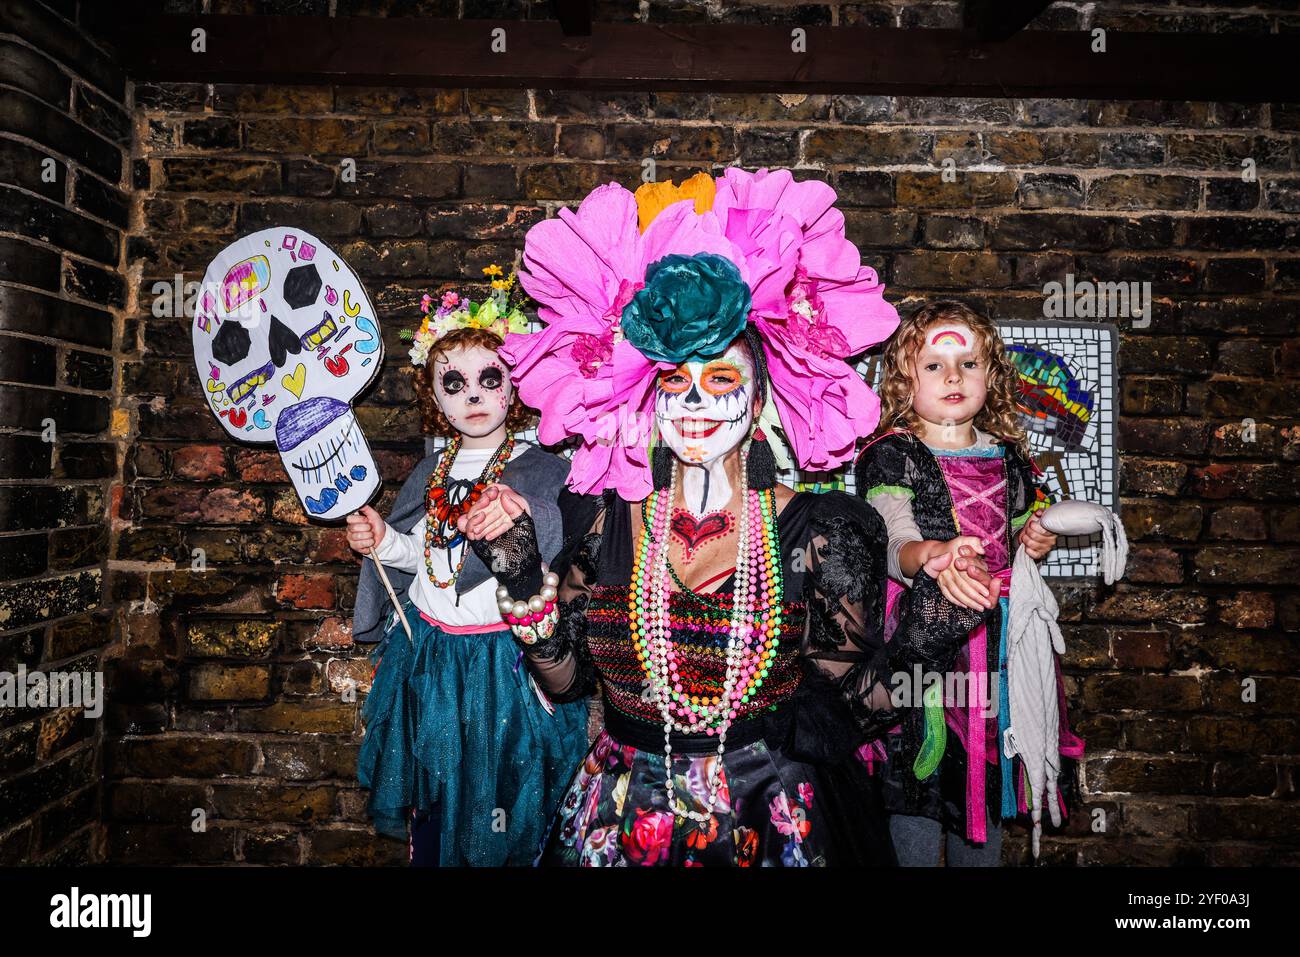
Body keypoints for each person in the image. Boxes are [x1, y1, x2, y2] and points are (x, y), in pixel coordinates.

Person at [458, 169, 996, 866]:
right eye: (675, 381)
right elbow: (568, 684)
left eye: (721, 380)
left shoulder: (823, 532)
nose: (695, 403)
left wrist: (930, 626)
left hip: (772, 818)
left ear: (760, 403)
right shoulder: (603, 518)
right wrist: (522, 573)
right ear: (648, 397)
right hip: (622, 818)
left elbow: (849, 710)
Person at [347, 272, 587, 866]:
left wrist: (523, 516)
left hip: (507, 666)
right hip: (431, 660)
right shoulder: (428, 475)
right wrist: (385, 540)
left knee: (507, 807)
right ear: (434, 395)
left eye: (490, 378)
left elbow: (563, 547)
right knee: (436, 804)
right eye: (454, 382)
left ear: (514, 386)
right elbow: (425, 563)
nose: (473, 395)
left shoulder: (545, 471)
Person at [853, 299, 1085, 866]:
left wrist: (1037, 538)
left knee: (987, 775)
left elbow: (1028, 522)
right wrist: (926, 555)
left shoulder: (1010, 457)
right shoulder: (890, 456)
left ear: (993, 376)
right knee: (918, 780)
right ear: (904, 380)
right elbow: (892, 535)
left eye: (970, 363)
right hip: (923, 641)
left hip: (1002, 641)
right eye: (933, 365)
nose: (953, 376)